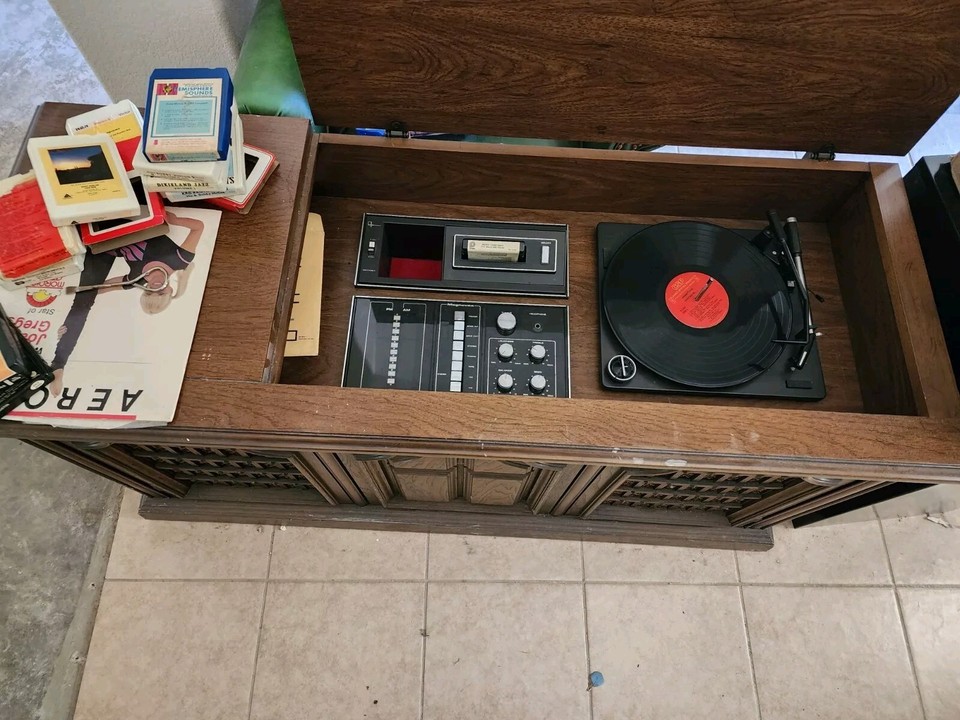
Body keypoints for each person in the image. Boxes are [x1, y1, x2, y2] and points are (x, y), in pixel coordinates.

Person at [47, 210, 205, 396]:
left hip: (105, 244)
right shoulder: (180, 260)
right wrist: (175, 219)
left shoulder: (135, 280)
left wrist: (69, 324)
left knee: (84, 300)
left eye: (149, 292)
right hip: (129, 219)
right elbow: (198, 227)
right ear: (169, 290)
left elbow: (97, 288)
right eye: (160, 292)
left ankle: (58, 365)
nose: (154, 287)